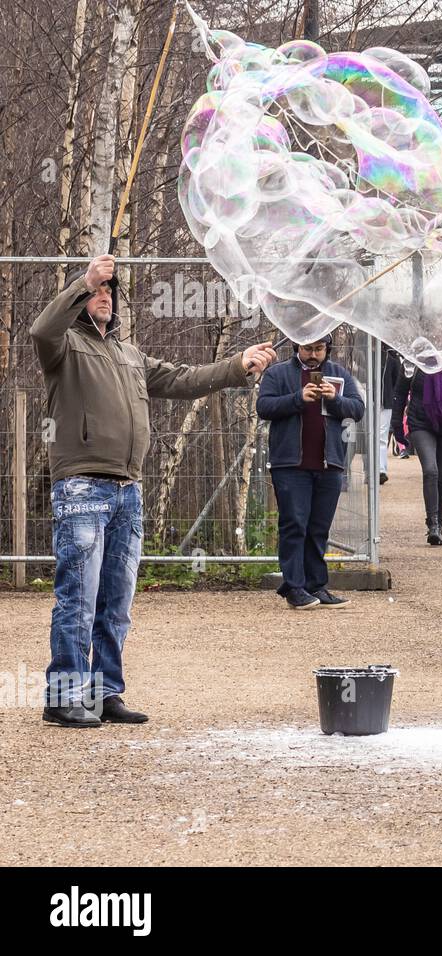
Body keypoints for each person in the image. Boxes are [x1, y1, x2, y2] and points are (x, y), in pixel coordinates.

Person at [31, 254, 276, 727]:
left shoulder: (130, 355)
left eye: (109, 292)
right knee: (77, 600)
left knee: (115, 604)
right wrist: (85, 280)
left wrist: (237, 365)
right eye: (98, 291)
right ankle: (62, 697)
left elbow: (185, 380)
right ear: (81, 299)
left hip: (128, 491)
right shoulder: (62, 348)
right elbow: (42, 330)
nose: (105, 296)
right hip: (81, 488)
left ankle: (104, 693)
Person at [257, 334, 365, 610]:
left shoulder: (339, 374)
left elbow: (357, 409)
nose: (313, 354)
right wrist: (298, 398)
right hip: (290, 464)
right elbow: (264, 407)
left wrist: (335, 399)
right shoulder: (277, 373)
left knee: (319, 528)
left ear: (327, 349)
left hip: (330, 463)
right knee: (294, 524)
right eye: (308, 349)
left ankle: (317, 584)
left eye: (319, 349)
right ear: (297, 347)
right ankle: (294, 587)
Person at [392, 365, 442, 546]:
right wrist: (397, 424)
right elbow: (400, 392)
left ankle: (440, 523)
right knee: (431, 470)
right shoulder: (414, 360)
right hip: (420, 423)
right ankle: (433, 524)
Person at [377, 344, 405, 485]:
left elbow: (397, 382)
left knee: (382, 437)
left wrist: (392, 398)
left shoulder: (392, 358)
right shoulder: (363, 354)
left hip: (385, 402)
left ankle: (381, 470)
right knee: (370, 436)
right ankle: (370, 469)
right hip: (368, 401)